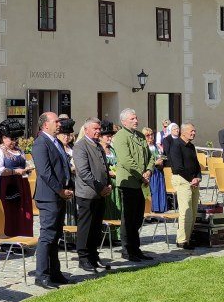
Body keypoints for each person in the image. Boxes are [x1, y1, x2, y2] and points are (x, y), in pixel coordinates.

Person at [32, 112, 73, 288]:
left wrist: (68, 187)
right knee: (47, 236)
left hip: (59, 195)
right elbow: (45, 171)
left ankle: (54, 272)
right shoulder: (41, 143)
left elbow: (63, 166)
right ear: (45, 124)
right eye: (56, 121)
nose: (59, 124)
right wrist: (60, 190)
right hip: (48, 196)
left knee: (56, 235)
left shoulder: (55, 142)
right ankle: (41, 275)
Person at [112, 108, 153, 262]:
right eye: (132, 119)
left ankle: (136, 249)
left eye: (136, 118)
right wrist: (141, 175)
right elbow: (126, 160)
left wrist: (149, 170)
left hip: (140, 183)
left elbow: (150, 156)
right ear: (123, 121)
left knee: (137, 218)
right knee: (128, 218)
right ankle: (127, 250)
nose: (136, 121)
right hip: (128, 182)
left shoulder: (141, 136)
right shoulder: (121, 136)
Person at [72, 119, 111, 273]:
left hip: (100, 193)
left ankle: (93, 255)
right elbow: (84, 171)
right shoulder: (80, 146)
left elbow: (104, 167)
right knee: (85, 227)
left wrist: (107, 184)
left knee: (96, 227)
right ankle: (83, 257)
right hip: (87, 193)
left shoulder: (98, 145)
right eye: (95, 128)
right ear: (86, 129)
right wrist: (100, 187)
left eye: (99, 128)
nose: (98, 131)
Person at [0, 117, 33, 240]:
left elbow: (24, 166)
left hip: (21, 184)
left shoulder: (19, 151)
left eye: (15, 139)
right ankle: (7, 238)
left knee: (22, 212)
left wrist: (27, 170)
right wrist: (14, 171)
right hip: (5, 186)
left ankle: (21, 236)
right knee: (8, 212)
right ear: (3, 138)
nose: (14, 142)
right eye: (11, 139)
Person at [168, 122, 202, 250]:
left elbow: (197, 165)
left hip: (193, 181)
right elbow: (178, 167)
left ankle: (188, 237)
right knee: (186, 211)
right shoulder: (176, 146)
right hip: (182, 180)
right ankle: (182, 240)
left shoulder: (191, 146)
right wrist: (191, 179)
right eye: (191, 131)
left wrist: (198, 177)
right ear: (183, 132)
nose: (193, 133)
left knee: (193, 211)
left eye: (194, 131)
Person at [144, 126, 168, 214]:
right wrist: (155, 163)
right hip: (151, 173)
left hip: (158, 172)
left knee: (159, 190)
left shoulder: (155, 147)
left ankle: (160, 209)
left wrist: (162, 160)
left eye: (151, 135)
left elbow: (160, 156)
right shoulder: (144, 148)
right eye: (147, 135)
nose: (150, 137)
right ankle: (152, 210)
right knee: (153, 191)